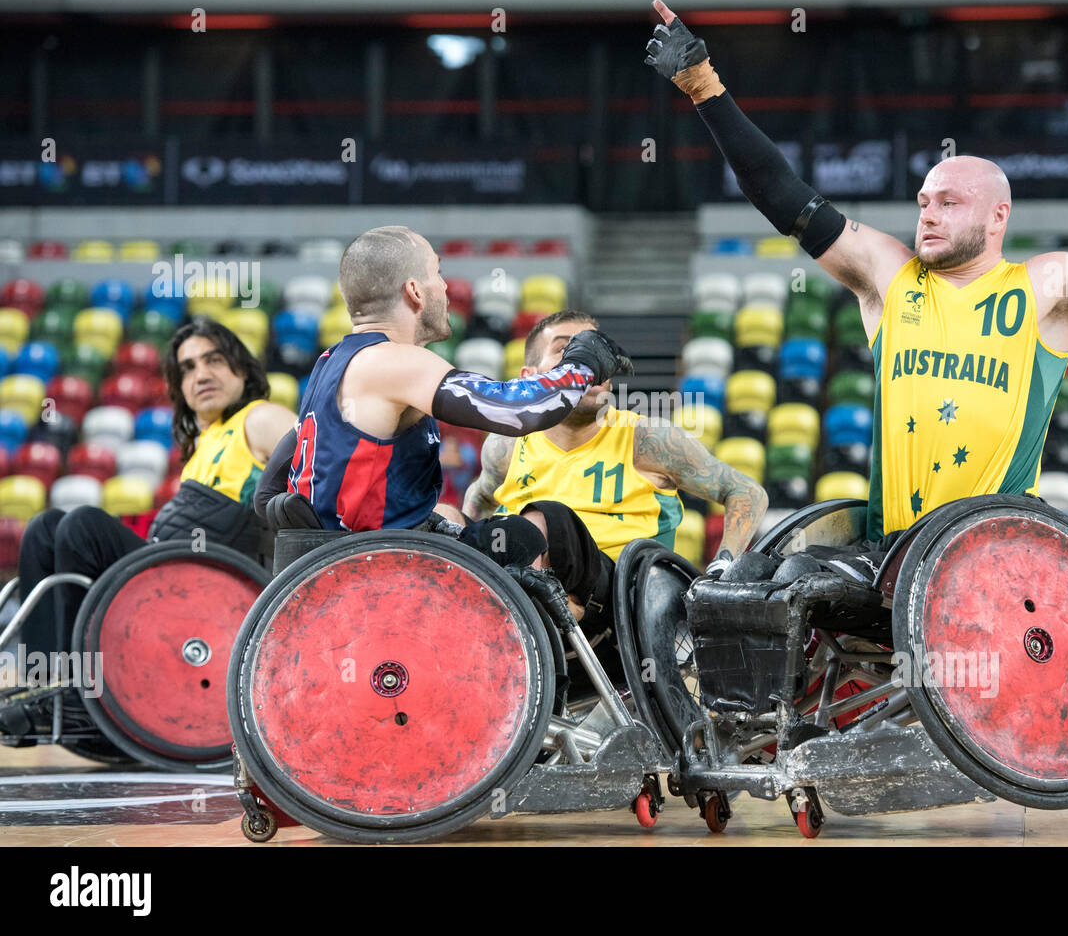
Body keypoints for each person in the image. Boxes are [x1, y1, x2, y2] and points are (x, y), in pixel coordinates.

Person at [645, 0, 1068, 568]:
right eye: (924, 200)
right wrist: (705, 86)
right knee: (759, 583)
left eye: (948, 202)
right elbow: (782, 196)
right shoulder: (889, 274)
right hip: (891, 555)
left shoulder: (1048, 284)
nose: (927, 212)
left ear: (997, 215)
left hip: (991, 558)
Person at [254, 226, 633, 584]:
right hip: (375, 573)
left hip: (324, 565)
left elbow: (267, 493)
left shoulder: (327, 364)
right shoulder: (395, 361)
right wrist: (582, 363)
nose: (447, 286)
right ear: (415, 290)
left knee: (467, 521)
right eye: (438, 272)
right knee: (550, 526)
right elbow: (515, 411)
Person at [2, 317, 296, 741]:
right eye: (188, 368)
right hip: (169, 569)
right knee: (45, 526)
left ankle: (79, 697)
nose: (202, 374)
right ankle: (49, 684)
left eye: (214, 361)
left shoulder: (261, 418)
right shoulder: (206, 441)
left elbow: (317, 472)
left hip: (208, 587)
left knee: (82, 524)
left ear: (244, 370)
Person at [461, 309, 769, 632]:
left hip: (619, 609)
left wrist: (722, 567)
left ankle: (532, 631)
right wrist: (462, 523)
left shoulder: (646, 439)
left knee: (544, 520)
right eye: (566, 350)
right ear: (528, 376)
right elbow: (479, 496)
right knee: (442, 519)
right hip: (518, 594)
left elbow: (746, 492)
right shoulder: (506, 446)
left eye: (596, 348)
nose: (588, 361)